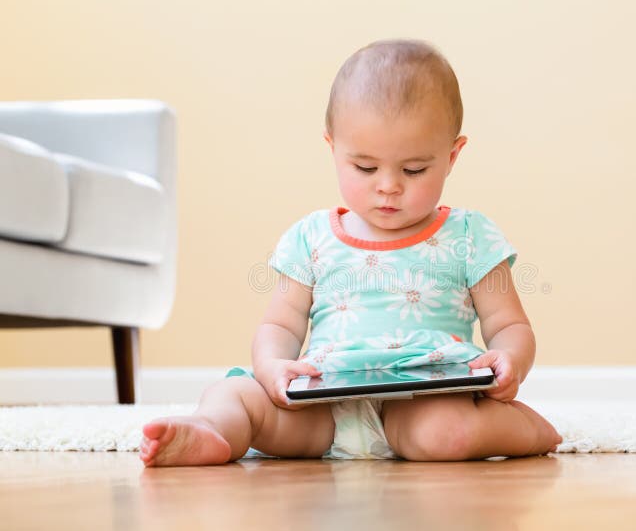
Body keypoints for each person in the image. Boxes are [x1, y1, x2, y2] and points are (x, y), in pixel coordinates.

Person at [140, 38, 563, 466]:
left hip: (423, 397)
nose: (388, 186)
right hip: (324, 402)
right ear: (333, 149)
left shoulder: (469, 235)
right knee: (233, 393)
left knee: (443, 436)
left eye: (414, 169)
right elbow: (280, 324)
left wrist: (510, 360)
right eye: (365, 167)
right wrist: (272, 366)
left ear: (452, 156)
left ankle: (526, 429)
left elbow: (509, 323)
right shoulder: (310, 237)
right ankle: (208, 430)